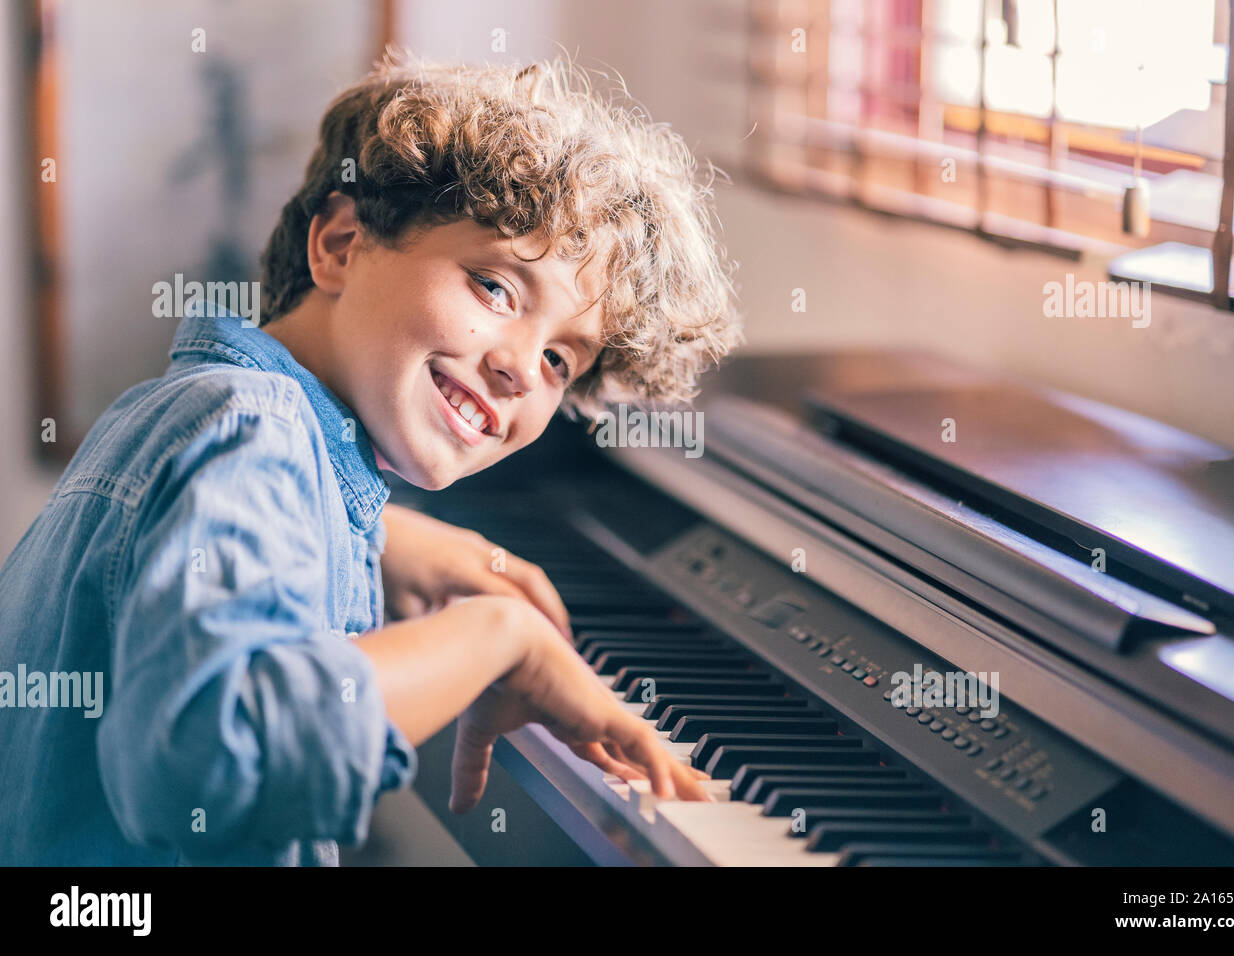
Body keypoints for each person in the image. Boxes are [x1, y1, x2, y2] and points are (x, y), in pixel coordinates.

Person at [0, 52, 743, 865]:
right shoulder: (252, 432)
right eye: (495, 288)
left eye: (562, 360)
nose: (523, 369)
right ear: (341, 244)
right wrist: (496, 638)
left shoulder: (213, 416)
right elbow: (216, 764)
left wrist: (367, 535)